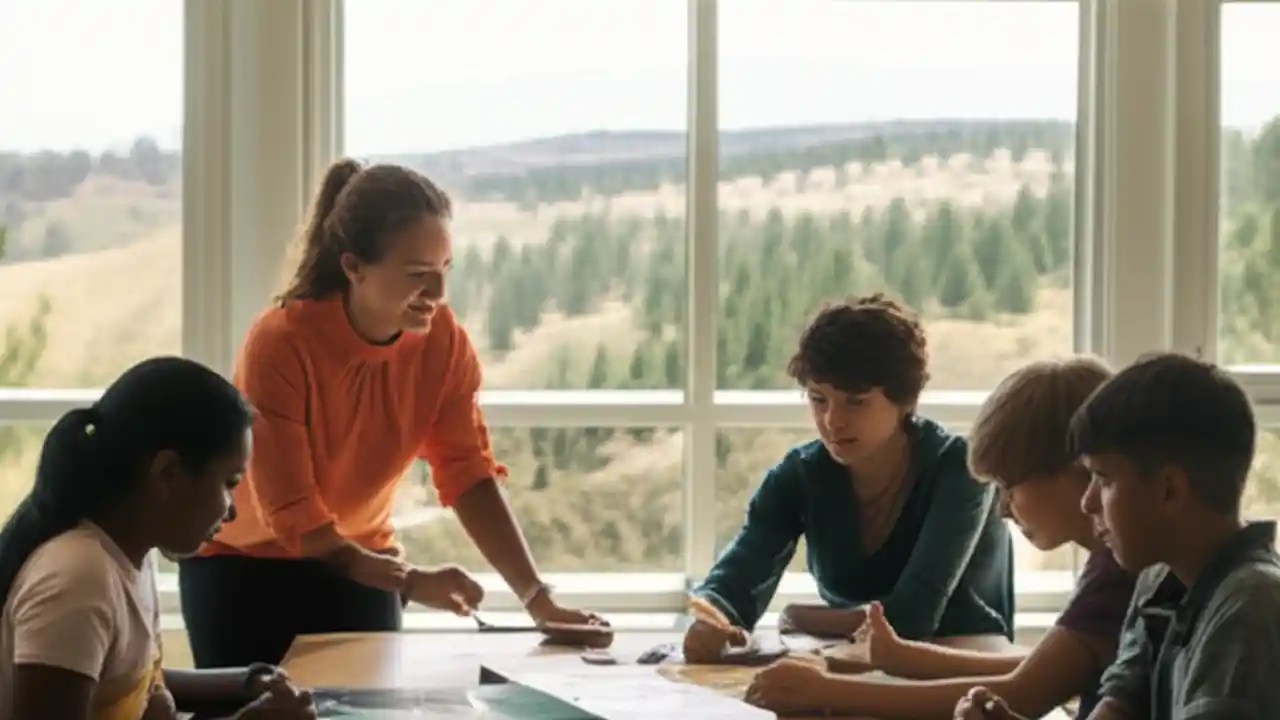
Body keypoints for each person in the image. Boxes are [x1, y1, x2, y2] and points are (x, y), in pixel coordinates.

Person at [178, 159, 606, 668]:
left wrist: (539, 599)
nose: (439, 295)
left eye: (445, 271)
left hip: (365, 562)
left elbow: (468, 473)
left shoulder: (443, 343)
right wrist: (413, 581)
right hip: (242, 570)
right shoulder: (280, 343)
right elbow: (297, 519)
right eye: (417, 274)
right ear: (353, 267)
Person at [745, 357, 1136, 720]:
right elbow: (1044, 666)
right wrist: (906, 657)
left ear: (1076, 471)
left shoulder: (1119, 571)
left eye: (1009, 487)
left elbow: (1024, 691)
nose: (1001, 509)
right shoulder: (1109, 562)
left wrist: (825, 691)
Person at [684, 294, 1015, 664]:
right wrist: (712, 615)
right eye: (818, 399)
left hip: (964, 667)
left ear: (906, 399)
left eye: (856, 402)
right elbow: (737, 578)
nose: (832, 421)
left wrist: (808, 617)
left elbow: (914, 615)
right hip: (855, 663)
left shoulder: (958, 468)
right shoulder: (799, 476)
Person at [958, 353, 1280, 719]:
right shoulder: (1156, 580)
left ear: (1169, 491)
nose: (1087, 501)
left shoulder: (1249, 607)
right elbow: (1118, 706)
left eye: (1104, 478)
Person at [0, 356, 316, 720]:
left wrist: (251, 681)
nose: (231, 512)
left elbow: (128, 678)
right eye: (229, 483)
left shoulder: (129, 551)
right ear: (167, 473)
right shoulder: (79, 578)